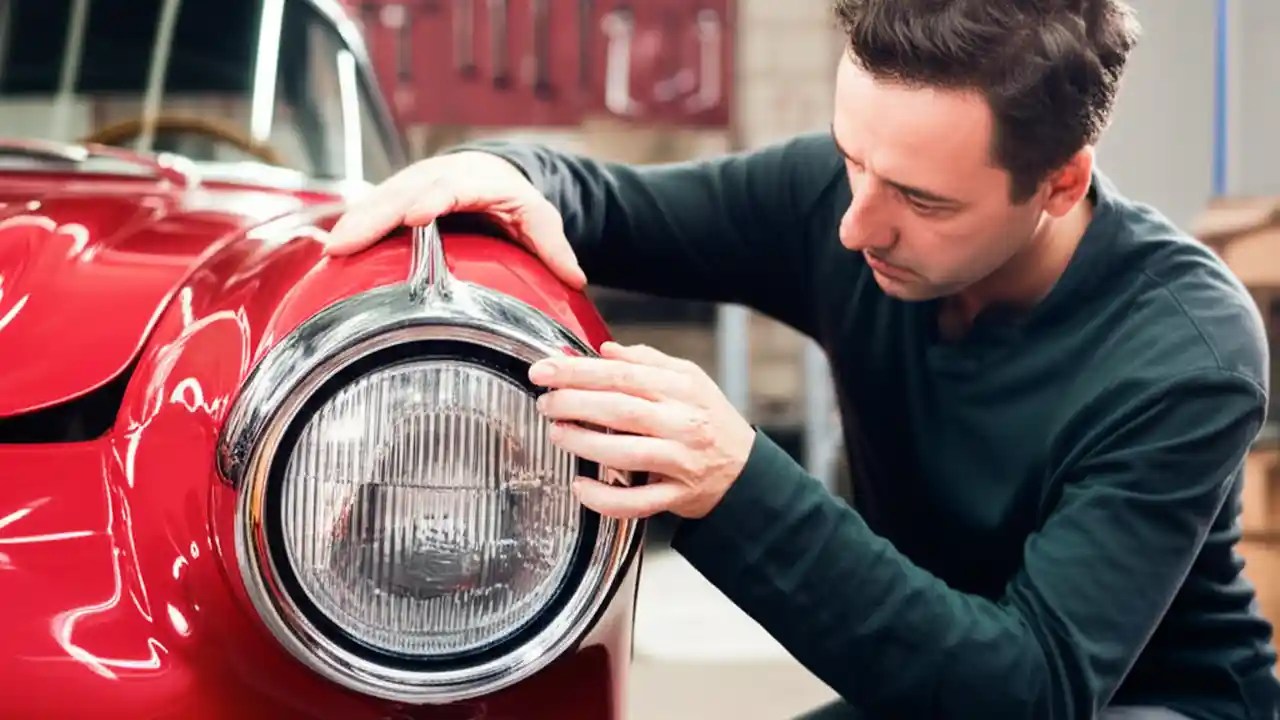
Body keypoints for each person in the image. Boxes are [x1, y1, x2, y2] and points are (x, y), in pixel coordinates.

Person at [325, 1, 1280, 717]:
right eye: (850, 158)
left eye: (922, 200)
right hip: (942, 674)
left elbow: (1028, 690)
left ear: (1062, 182)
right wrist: (506, 173)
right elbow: (608, 204)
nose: (857, 222)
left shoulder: (1186, 354)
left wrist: (734, 481)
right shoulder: (845, 198)